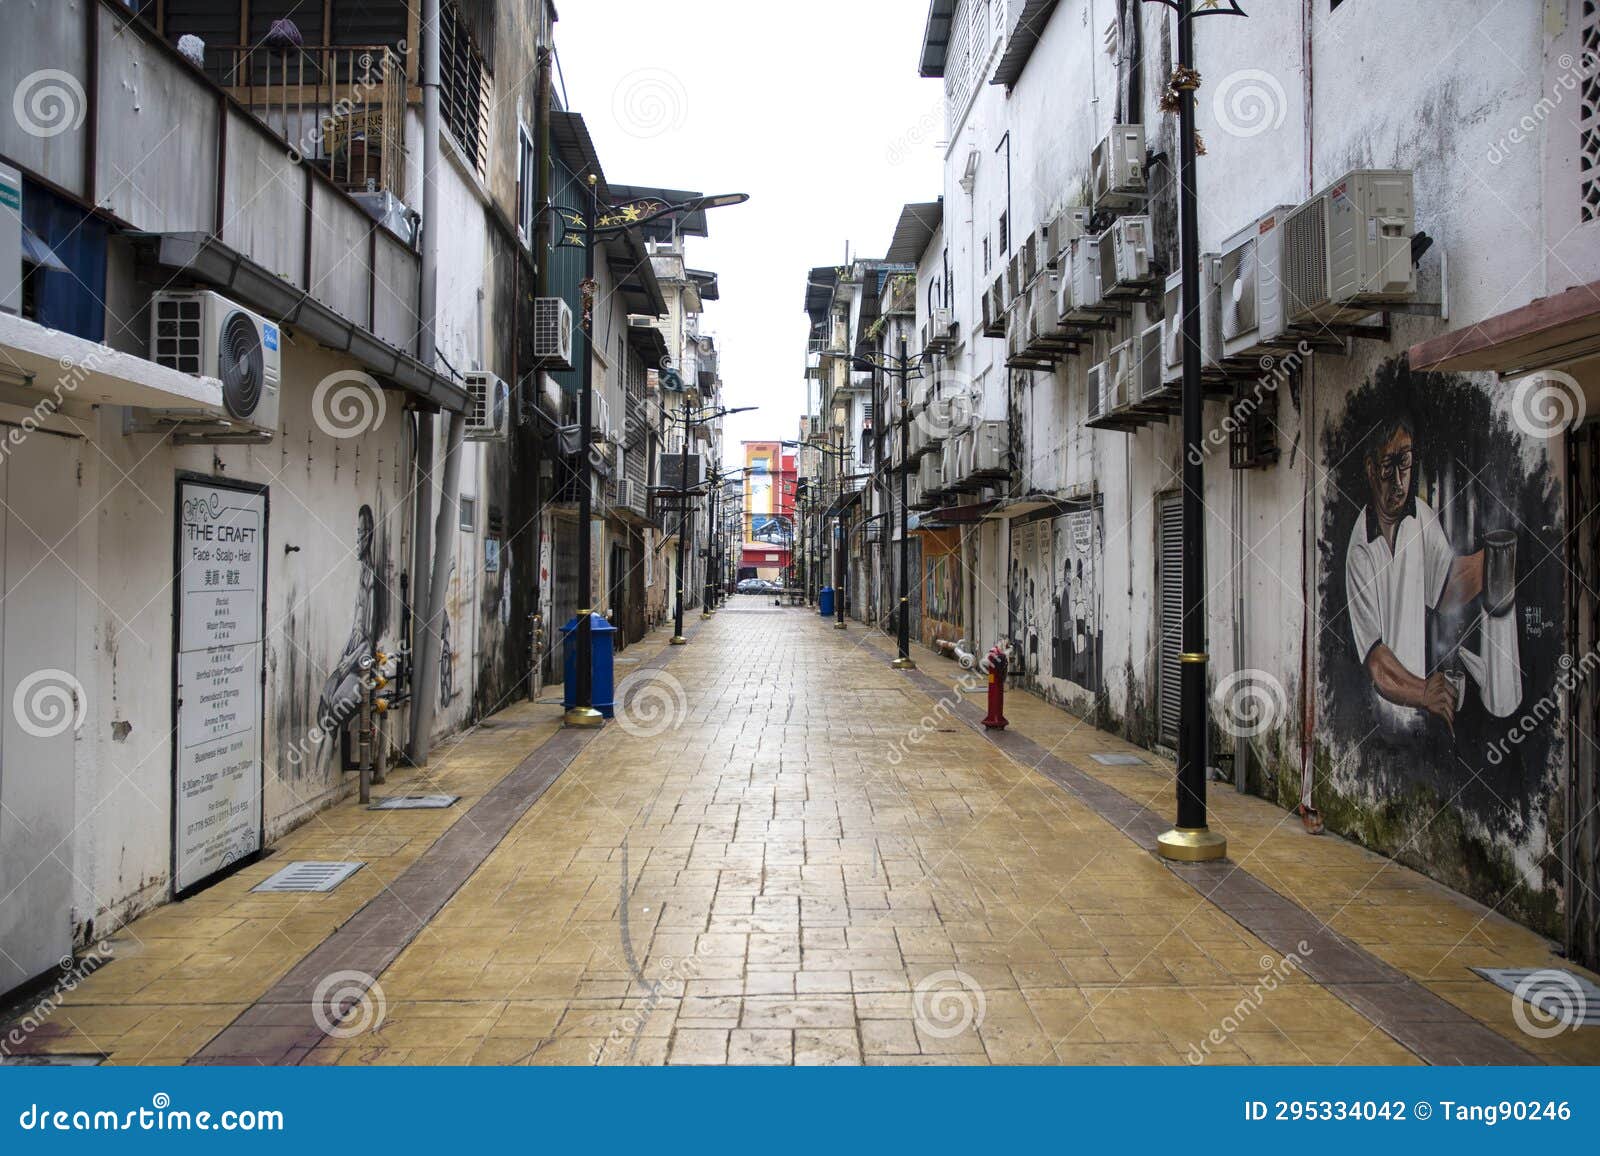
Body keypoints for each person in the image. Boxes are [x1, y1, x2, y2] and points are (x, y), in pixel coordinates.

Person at [1345, 415, 1482, 732]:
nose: (1398, 481)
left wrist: (1492, 560)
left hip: (1423, 711)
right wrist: (1423, 692)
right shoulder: (1360, 551)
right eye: (1387, 466)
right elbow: (1376, 660)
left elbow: (1446, 590)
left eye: (1404, 464)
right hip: (1384, 717)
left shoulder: (1420, 515)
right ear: (1370, 469)